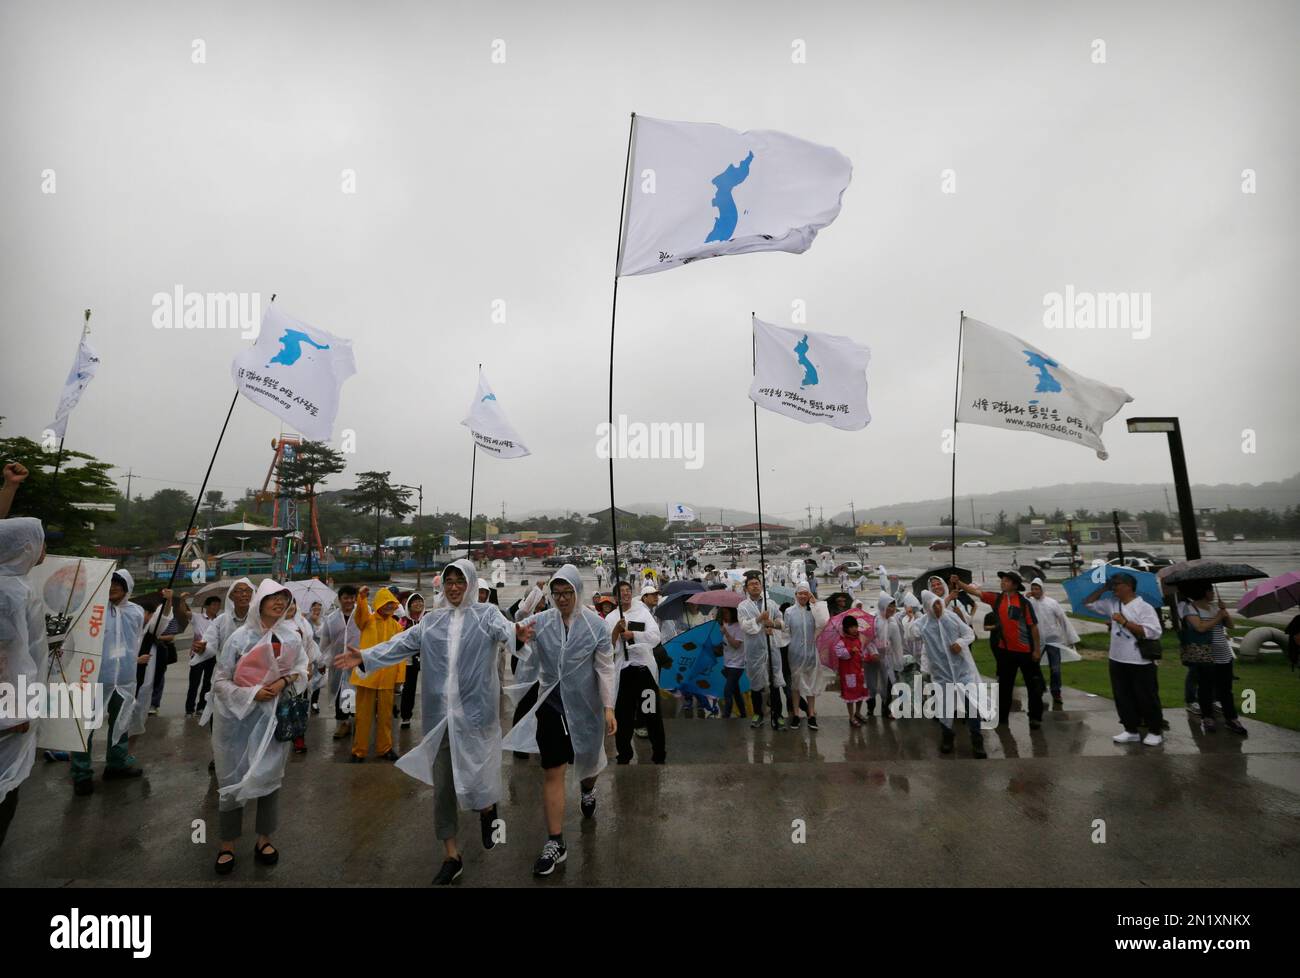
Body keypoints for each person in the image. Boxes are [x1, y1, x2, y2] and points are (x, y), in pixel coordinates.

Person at [335, 559, 530, 885]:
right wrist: (367, 657)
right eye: (449, 581)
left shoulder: (487, 615)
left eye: (460, 581)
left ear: (469, 584)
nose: (454, 587)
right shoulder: (432, 621)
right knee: (443, 788)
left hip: (476, 715)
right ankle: (451, 855)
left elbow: (508, 635)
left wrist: (518, 635)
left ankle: (486, 810)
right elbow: (401, 643)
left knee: (478, 777)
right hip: (440, 719)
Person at [503, 564, 616, 878]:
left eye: (568, 593)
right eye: (557, 593)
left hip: (587, 707)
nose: (562, 598)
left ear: (577, 592)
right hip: (551, 706)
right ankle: (555, 841)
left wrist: (609, 706)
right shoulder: (542, 621)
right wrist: (509, 633)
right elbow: (513, 631)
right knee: (552, 772)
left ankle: (588, 790)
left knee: (588, 765)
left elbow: (606, 668)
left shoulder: (596, 626)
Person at [210, 580, 307, 874]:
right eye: (272, 597)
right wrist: (253, 693)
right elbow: (219, 681)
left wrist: (282, 681)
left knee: (270, 776)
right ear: (260, 602)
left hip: (274, 720)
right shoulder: (239, 638)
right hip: (237, 720)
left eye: (283, 598)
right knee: (231, 778)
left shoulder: (291, 637)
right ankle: (227, 844)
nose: (279, 602)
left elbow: (302, 669)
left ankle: (264, 839)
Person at [69, 571, 170, 795]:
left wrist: (168, 602)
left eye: (118, 584)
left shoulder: (135, 612)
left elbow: (155, 629)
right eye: (110, 583)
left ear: (127, 587)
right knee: (85, 726)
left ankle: (116, 765)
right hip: (94, 676)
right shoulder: (94, 609)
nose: (113, 587)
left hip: (124, 678)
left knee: (120, 723)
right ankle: (81, 773)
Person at [0, 518, 48, 850]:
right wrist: (14, 709)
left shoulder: (16, 586)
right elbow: (8, 656)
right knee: (5, 786)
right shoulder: (12, 592)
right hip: (8, 711)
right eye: (41, 541)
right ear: (26, 548)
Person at [957, 572, 1044, 730]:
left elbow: (1033, 627)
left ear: (1015, 585)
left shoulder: (1024, 603)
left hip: (1025, 651)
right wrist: (959, 583)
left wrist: (1036, 650)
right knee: (1004, 686)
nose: (1003, 582)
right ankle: (1002, 717)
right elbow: (975, 592)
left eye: (1007, 581)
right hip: (1005, 652)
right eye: (1002, 580)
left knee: (1033, 686)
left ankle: (1035, 717)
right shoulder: (997, 599)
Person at [1085, 573, 1164, 746]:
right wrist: (1103, 588)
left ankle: (1155, 730)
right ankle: (1130, 729)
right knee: (1122, 696)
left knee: (1146, 697)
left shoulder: (1144, 607)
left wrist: (1125, 622)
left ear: (1128, 586)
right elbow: (1089, 603)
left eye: (1116, 584)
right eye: (1112, 585)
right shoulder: (1112, 604)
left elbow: (1153, 632)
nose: (1114, 587)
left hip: (1139, 660)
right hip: (1117, 658)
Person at [911, 590, 987, 758]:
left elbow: (969, 633)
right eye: (933, 605)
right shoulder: (923, 624)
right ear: (927, 607)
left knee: (971, 705)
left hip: (962, 671)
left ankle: (977, 740)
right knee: (944, 708)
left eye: (939, 602)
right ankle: (947, 737)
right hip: (941, 675)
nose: (938, 607)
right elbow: (911, 634)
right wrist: (912, 614)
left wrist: (960, 642)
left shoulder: (951, 617)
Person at [1175, 582, 1246, 735]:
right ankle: (1208, 718)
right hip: (1205, 655)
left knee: (1226, 690)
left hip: (1224, 654)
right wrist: (1217, 617)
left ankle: (1232, 719)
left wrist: (1223, 611)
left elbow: (1231, 626)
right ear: (1204, 592)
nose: (1213, 593)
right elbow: (1200, 627)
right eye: (1210, 590)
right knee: (1205, 688)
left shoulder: (1214, 607)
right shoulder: (1191, 608)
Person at [605, 580, 665, 764]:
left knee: (651, 713)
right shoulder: (611, 618)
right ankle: (624, 754)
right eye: (621, 591)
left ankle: (659, 752)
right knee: (624, 716)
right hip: (624, 672)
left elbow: (655, 637)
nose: (626, 593)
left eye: (628, 590)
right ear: (616, 597)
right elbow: (607, 649)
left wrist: (634, 635)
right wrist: (615, 632)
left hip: (644, 671)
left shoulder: (643, 613)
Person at [349, 585, 404, 762]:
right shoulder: (367, 620)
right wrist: (362, 598)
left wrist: (399, 678)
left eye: (392, 603)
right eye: (386, 603)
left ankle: (385, 748)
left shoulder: (397, 627)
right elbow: (360, 615)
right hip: (367, 677)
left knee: (386, 717)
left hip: (388, 678)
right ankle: (359, 751)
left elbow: (401, 653)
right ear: (379, 603)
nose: (389, 606)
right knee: (363, 717)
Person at [738, 574, 786, 730]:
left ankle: (778, 715)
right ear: (746, 588)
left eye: (757, 583)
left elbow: (781, 621)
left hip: (771, 647)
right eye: (751, 584)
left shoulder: (771, 604)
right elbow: (745, 626)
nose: (755, 586)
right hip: (754, 650)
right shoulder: (743, 606)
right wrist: (759, 619)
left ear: (761, 586)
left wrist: (773, 624)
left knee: (774, 682)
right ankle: (758, 713)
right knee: (756, 684)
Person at [1027, 578, 1079, 708]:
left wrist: (1070, 638)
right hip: (1037, 641)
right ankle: (1040, 688)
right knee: (1034, 667)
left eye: (1037, 588)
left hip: (1053, 641)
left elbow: (1063, 620)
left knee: (1055, 669)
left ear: (1042, 589)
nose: (1034, 591)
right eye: (1032, 589)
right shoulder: (1030, 603)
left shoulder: (1052, 603)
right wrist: (1025, 598)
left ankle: (1056, 692)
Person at [320, 584, 360, 739]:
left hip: (358, 662)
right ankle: (343, 724)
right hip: (338, 662)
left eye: (352, 597)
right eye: (345, 598)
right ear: (340, 599)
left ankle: (356, 723)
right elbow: (325, 643)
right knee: (339, 692)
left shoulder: (363, 615)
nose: (349, 601)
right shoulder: (331, 619)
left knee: (356, 693)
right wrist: (322, 662)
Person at [784, 583, 822, 729]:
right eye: (800, 593)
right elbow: (786, 632)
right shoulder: (789, 611)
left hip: (811, 653)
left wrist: (815, 603)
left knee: (811, 684)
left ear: (809, 595)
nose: (802, 596)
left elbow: (823, 622)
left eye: (806, 593)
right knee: (796, 686)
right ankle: (796, 714)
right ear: (795, 595)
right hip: (795, 654)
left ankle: (811, 715)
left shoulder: (814, 611)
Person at [186, 594, 223, 717]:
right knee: (194, 683)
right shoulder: (197, 617)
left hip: (211, 656)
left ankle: (201, 707)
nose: (216, 607)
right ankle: (189, 709)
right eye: (213, 604)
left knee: (208, 682)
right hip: (197, 654)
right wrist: (181, 600)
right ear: (207, 606)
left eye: (218, 605)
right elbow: (184, 612)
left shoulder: (220, 621)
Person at [868, 592, 903, 719]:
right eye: (889, 606)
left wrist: (899, 661)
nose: (892, 609)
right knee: (871, 685)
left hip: (887, 659)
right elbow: (867, 639)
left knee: (888, 684)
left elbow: (897, 644)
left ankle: (886, 709)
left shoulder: (893, 623)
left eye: (893, 606)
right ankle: (870, 710)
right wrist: (873, 651)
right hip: (872, 659)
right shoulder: (874, 620)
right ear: (882, 605)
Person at [832, 615, 869, 727]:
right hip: (848, 673)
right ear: (846, 628)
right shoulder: (842, 642)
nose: (854, 629)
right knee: (850, 695)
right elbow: (839, 653)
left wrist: (865, 656)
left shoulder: (859, 639)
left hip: (859, 671)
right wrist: (850, 650)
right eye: (851, 627)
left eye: (855, 626)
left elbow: (862, 652)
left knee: (860, 692)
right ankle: (851, 716)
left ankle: (858, 712)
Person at [398, 591, 425, 730]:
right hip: (409, 659)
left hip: (427, 658)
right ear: (409, 604)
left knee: (430, 688)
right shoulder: (403, 620)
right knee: (409, 688)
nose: (418, 604)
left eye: (420, 601)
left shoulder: (427, 618)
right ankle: (406, 716)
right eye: (415, 601)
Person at [719, 606, 748, 718]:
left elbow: (736, 645)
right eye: (723, 612)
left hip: (737, 665)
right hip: (727, 663)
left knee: (727, 691)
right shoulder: (726, 625)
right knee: (736, 691)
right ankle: (743, 714)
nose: (725, 615)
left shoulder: (739, 627)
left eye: (726, 612)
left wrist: (726, 633)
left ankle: (726, 716)